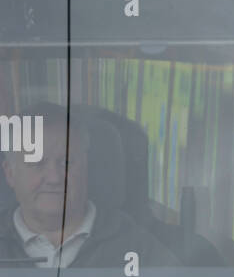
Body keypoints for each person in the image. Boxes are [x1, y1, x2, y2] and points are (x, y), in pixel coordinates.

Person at [0, 107, 178, 268]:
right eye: (37, 163)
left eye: (66, 162)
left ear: (85, 168)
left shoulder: (141, 250)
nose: (54, 178)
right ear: (10, 173)